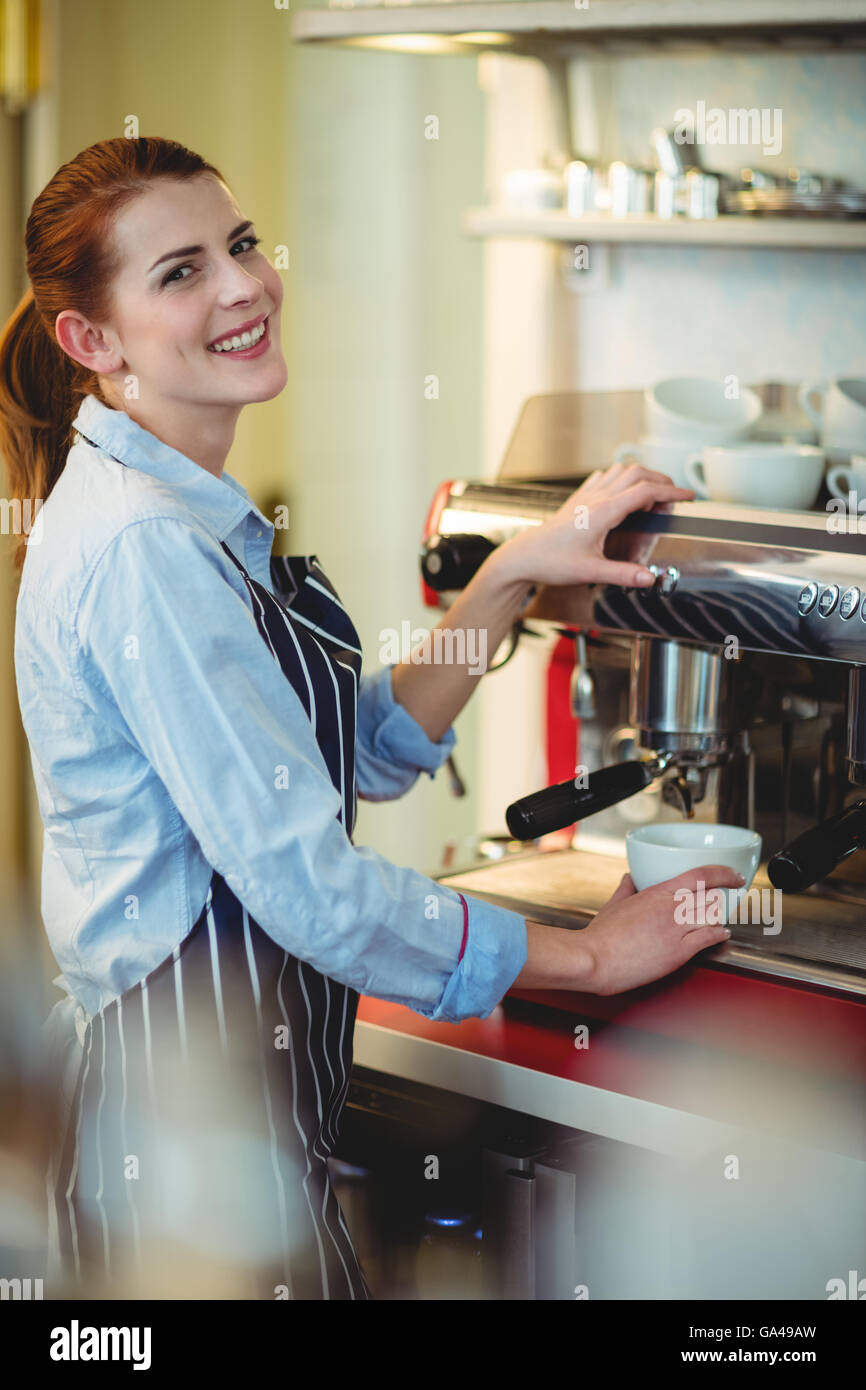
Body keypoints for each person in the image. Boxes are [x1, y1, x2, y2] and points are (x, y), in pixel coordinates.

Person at [0, 136, 741, 1300]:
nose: (243, 284)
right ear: (90, 341)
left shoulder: (179, 511)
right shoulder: (147, 548)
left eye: (239, 245)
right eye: (180, 271)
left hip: (239, 1124)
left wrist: (505, 576)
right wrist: (591, 957)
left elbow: (352, 746)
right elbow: (310, 888)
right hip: (183, 1153)